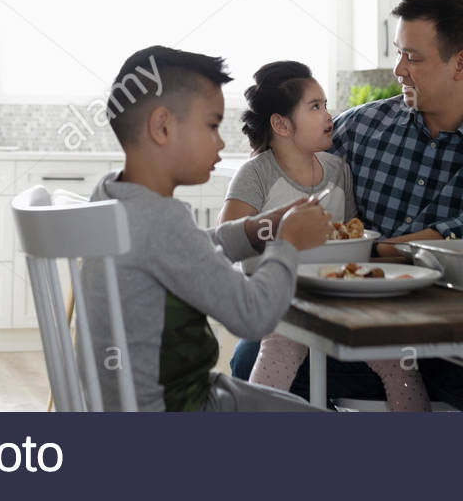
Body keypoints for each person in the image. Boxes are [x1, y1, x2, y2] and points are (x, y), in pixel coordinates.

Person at [233, 0, 463, 409]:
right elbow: (282, 165)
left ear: (462, 63)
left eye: (412, 58)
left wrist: (381, 250)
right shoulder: (361, 127)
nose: (398, 69)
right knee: (252, 354)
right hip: (363, 336)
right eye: (399, 53)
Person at [80, 45, 335, 411]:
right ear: (163, 126)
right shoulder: (161, 222)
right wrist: (287, 243)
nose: (221, 141)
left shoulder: (111, 194)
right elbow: (254, 315)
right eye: (212, 125)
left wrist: (259, 228)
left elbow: (193, 248)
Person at [219, 61, 431, 411]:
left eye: (325, 104)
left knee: (397, 360)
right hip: (282, 301)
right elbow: (232, 244)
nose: (328, 114)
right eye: (315, 106)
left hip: (336, 299)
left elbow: (349, 236)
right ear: (281, 124)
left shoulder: (337, 170)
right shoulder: (255, 174)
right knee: (280, 352)